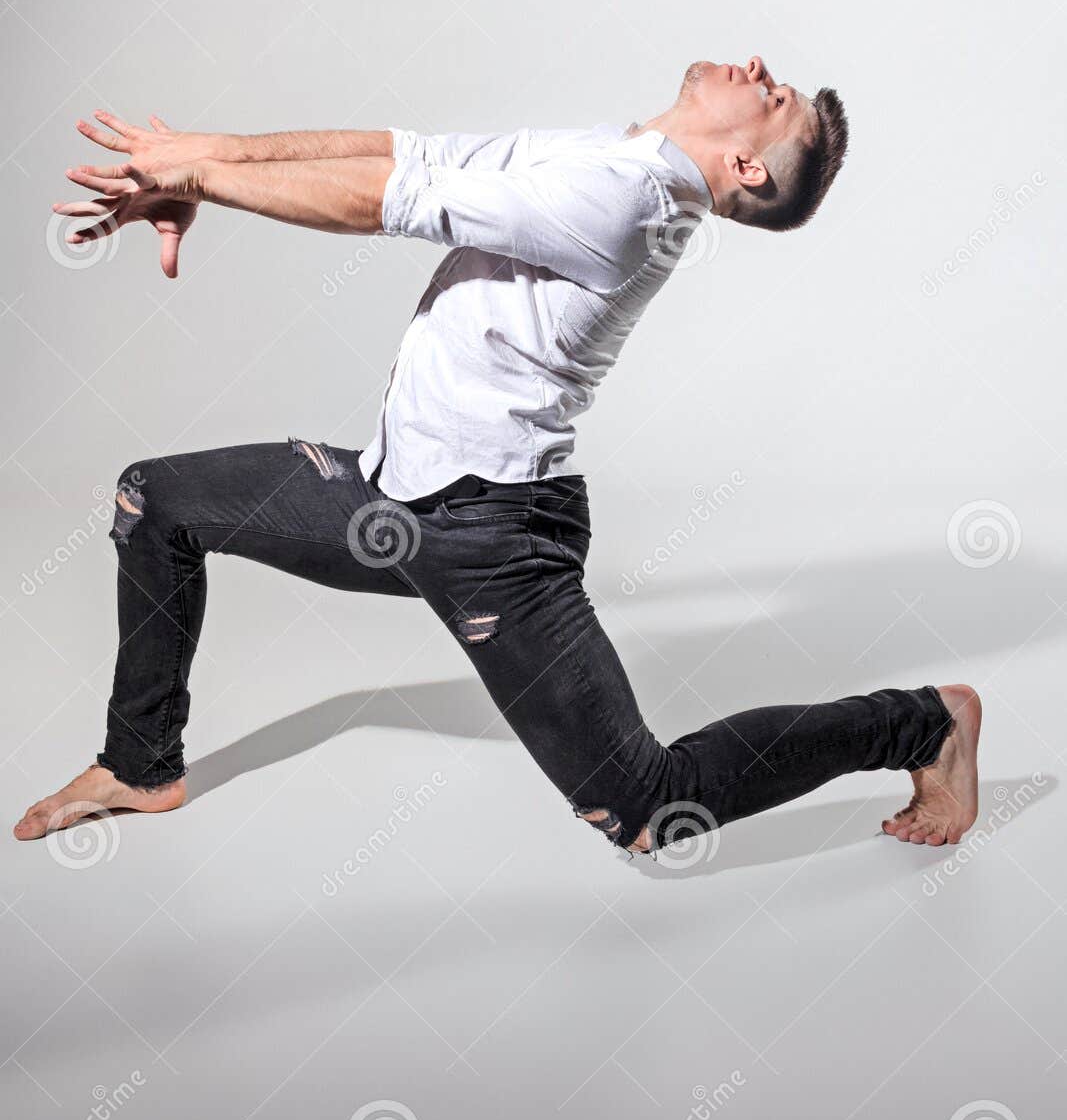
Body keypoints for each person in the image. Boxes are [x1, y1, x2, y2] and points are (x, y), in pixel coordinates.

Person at [15, 57, 981, 853]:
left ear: (749, 168)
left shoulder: (627, 201)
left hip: (494, 534)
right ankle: (142, 764)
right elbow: (405, 152)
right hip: (392, 501)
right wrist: (211, 156)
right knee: (159, 501)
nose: (764, 72)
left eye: (774, 102)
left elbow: (391, 200)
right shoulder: (609, 154)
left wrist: (198, 176)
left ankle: (922, 724)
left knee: (644, 810)